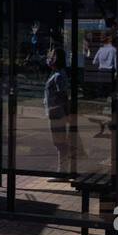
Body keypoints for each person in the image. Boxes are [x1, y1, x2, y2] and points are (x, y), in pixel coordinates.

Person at [44, 47, 72, 179]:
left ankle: (63, 171)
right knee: (59, 142)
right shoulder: (55, 74)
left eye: (52, 56)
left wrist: (65, 114)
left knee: (60, 142)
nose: (49, 58)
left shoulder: (59, 76)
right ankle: (63, 170)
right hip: (55, 113)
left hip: (57, 114)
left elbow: (63, 95)